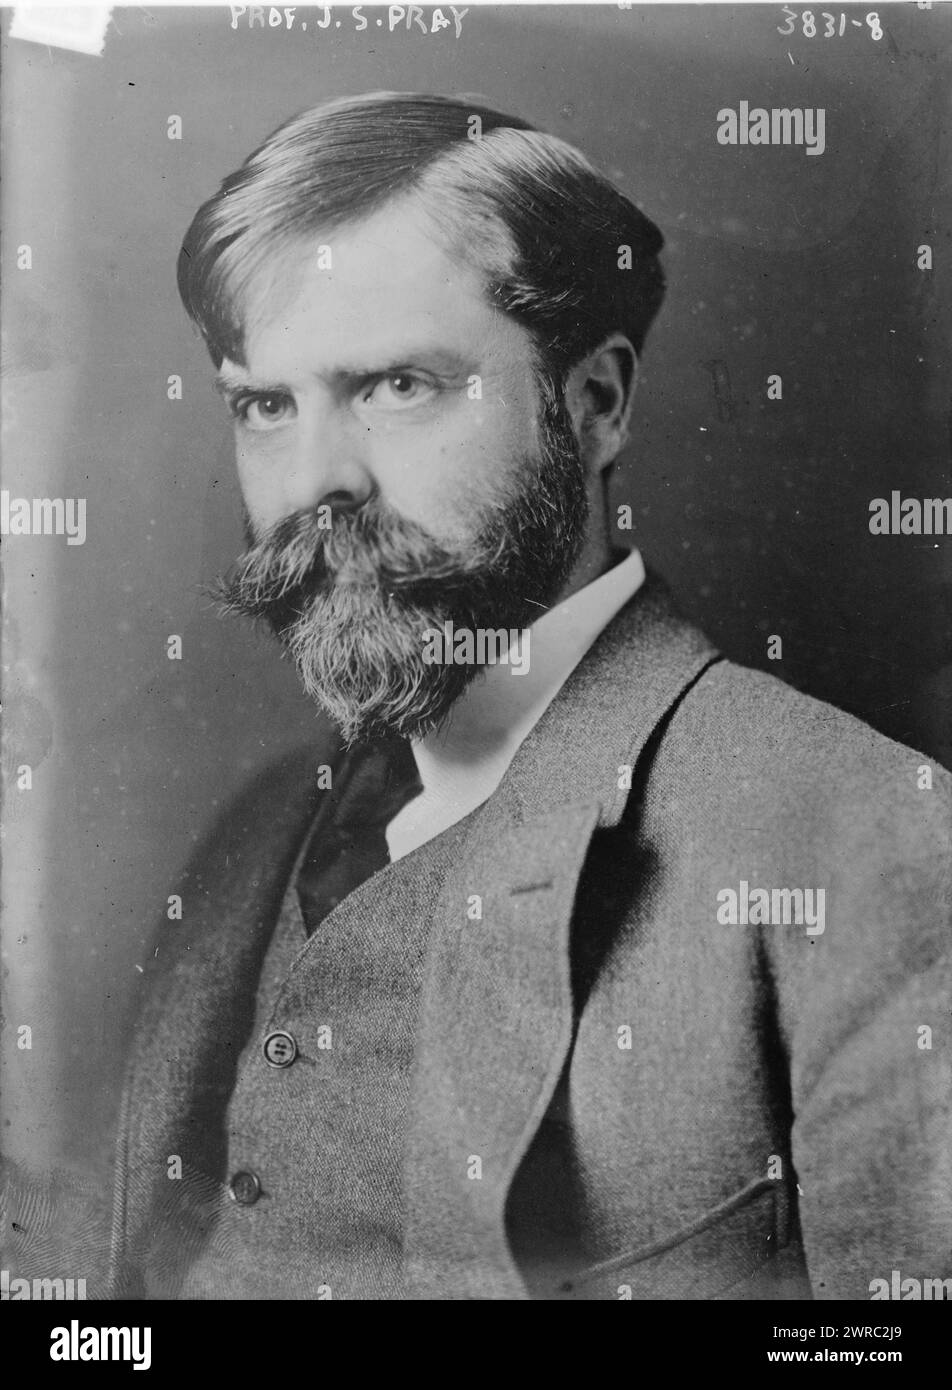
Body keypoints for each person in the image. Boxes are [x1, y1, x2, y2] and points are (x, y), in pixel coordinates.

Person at [108, 92, 950, 1301]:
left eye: (398, 386)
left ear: (595, 401)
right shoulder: (253, 835)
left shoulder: (869, 836)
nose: (314, 483)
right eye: (264, 405)